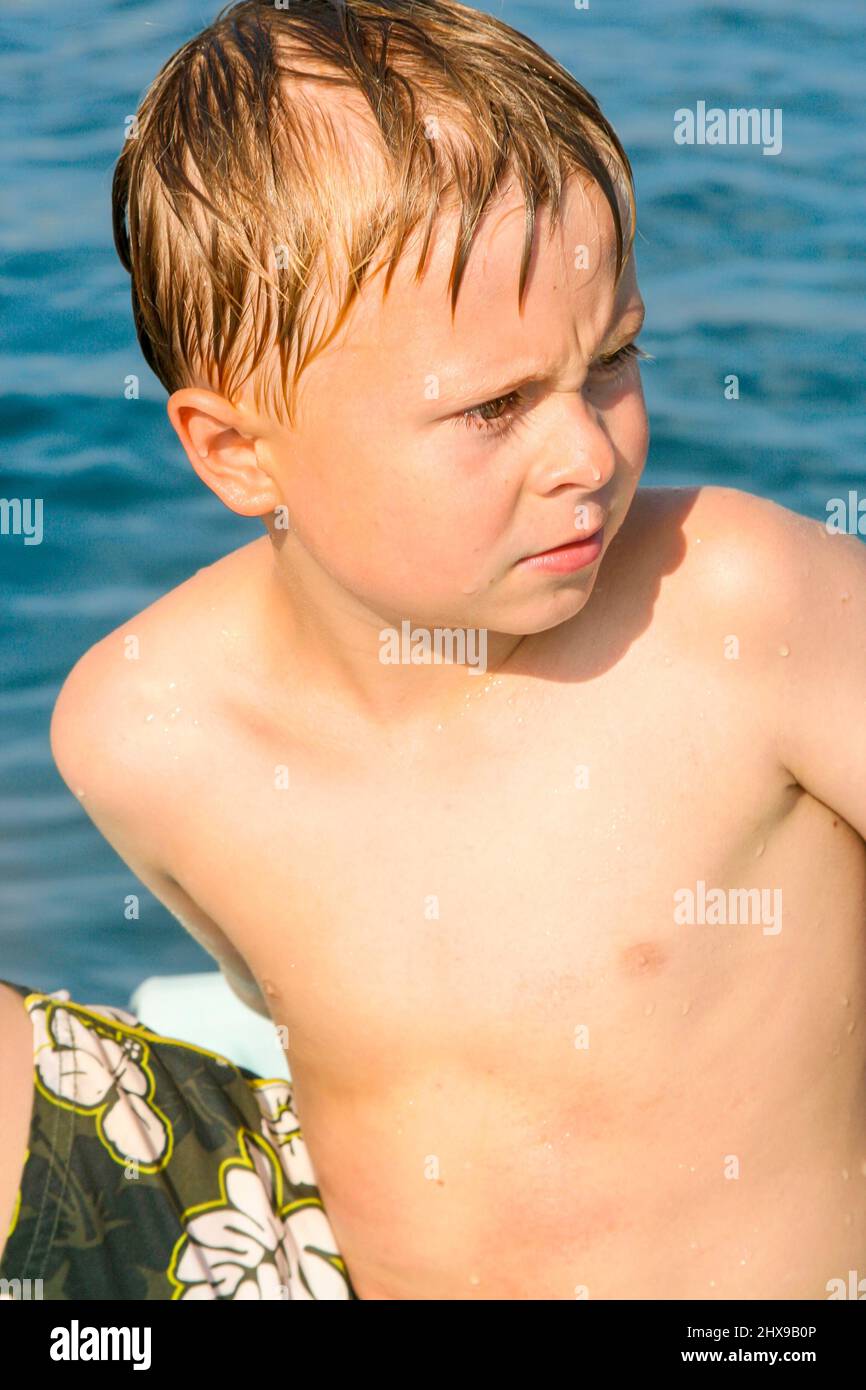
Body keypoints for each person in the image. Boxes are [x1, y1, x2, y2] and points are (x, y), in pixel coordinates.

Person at [4, 0, 864, 1299]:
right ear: (237, 451)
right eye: (495, 406)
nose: (586, 453)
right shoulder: (142, 729)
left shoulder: (738, 603)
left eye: (612, 358)